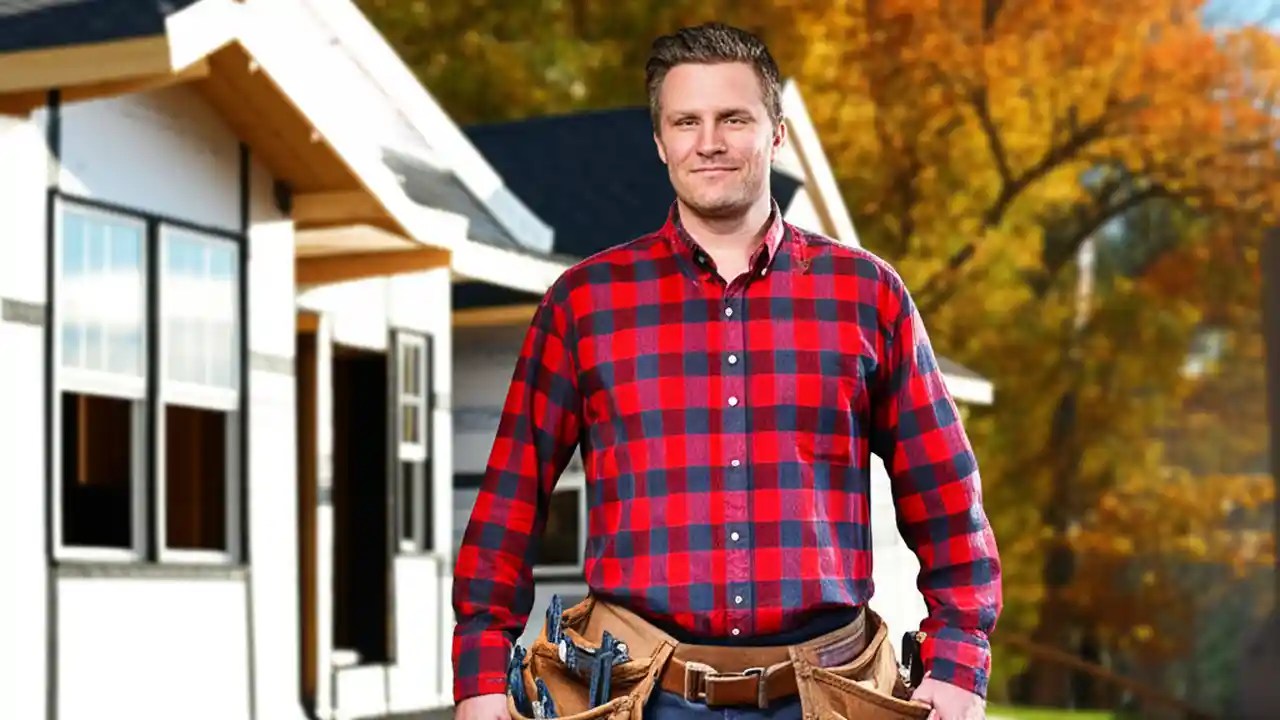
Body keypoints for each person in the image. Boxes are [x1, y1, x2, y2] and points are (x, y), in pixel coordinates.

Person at [452, 21, 1002, 720]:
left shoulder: (867, 295)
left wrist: (958, 660)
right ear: (660, 141)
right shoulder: (586, 303)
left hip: (830, 696)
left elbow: (947, 494)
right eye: (686, 121)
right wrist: (478, 671)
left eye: (733, 118)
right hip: (638, 696)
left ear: (775, 134)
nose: (708, 141)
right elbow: (509, 500)